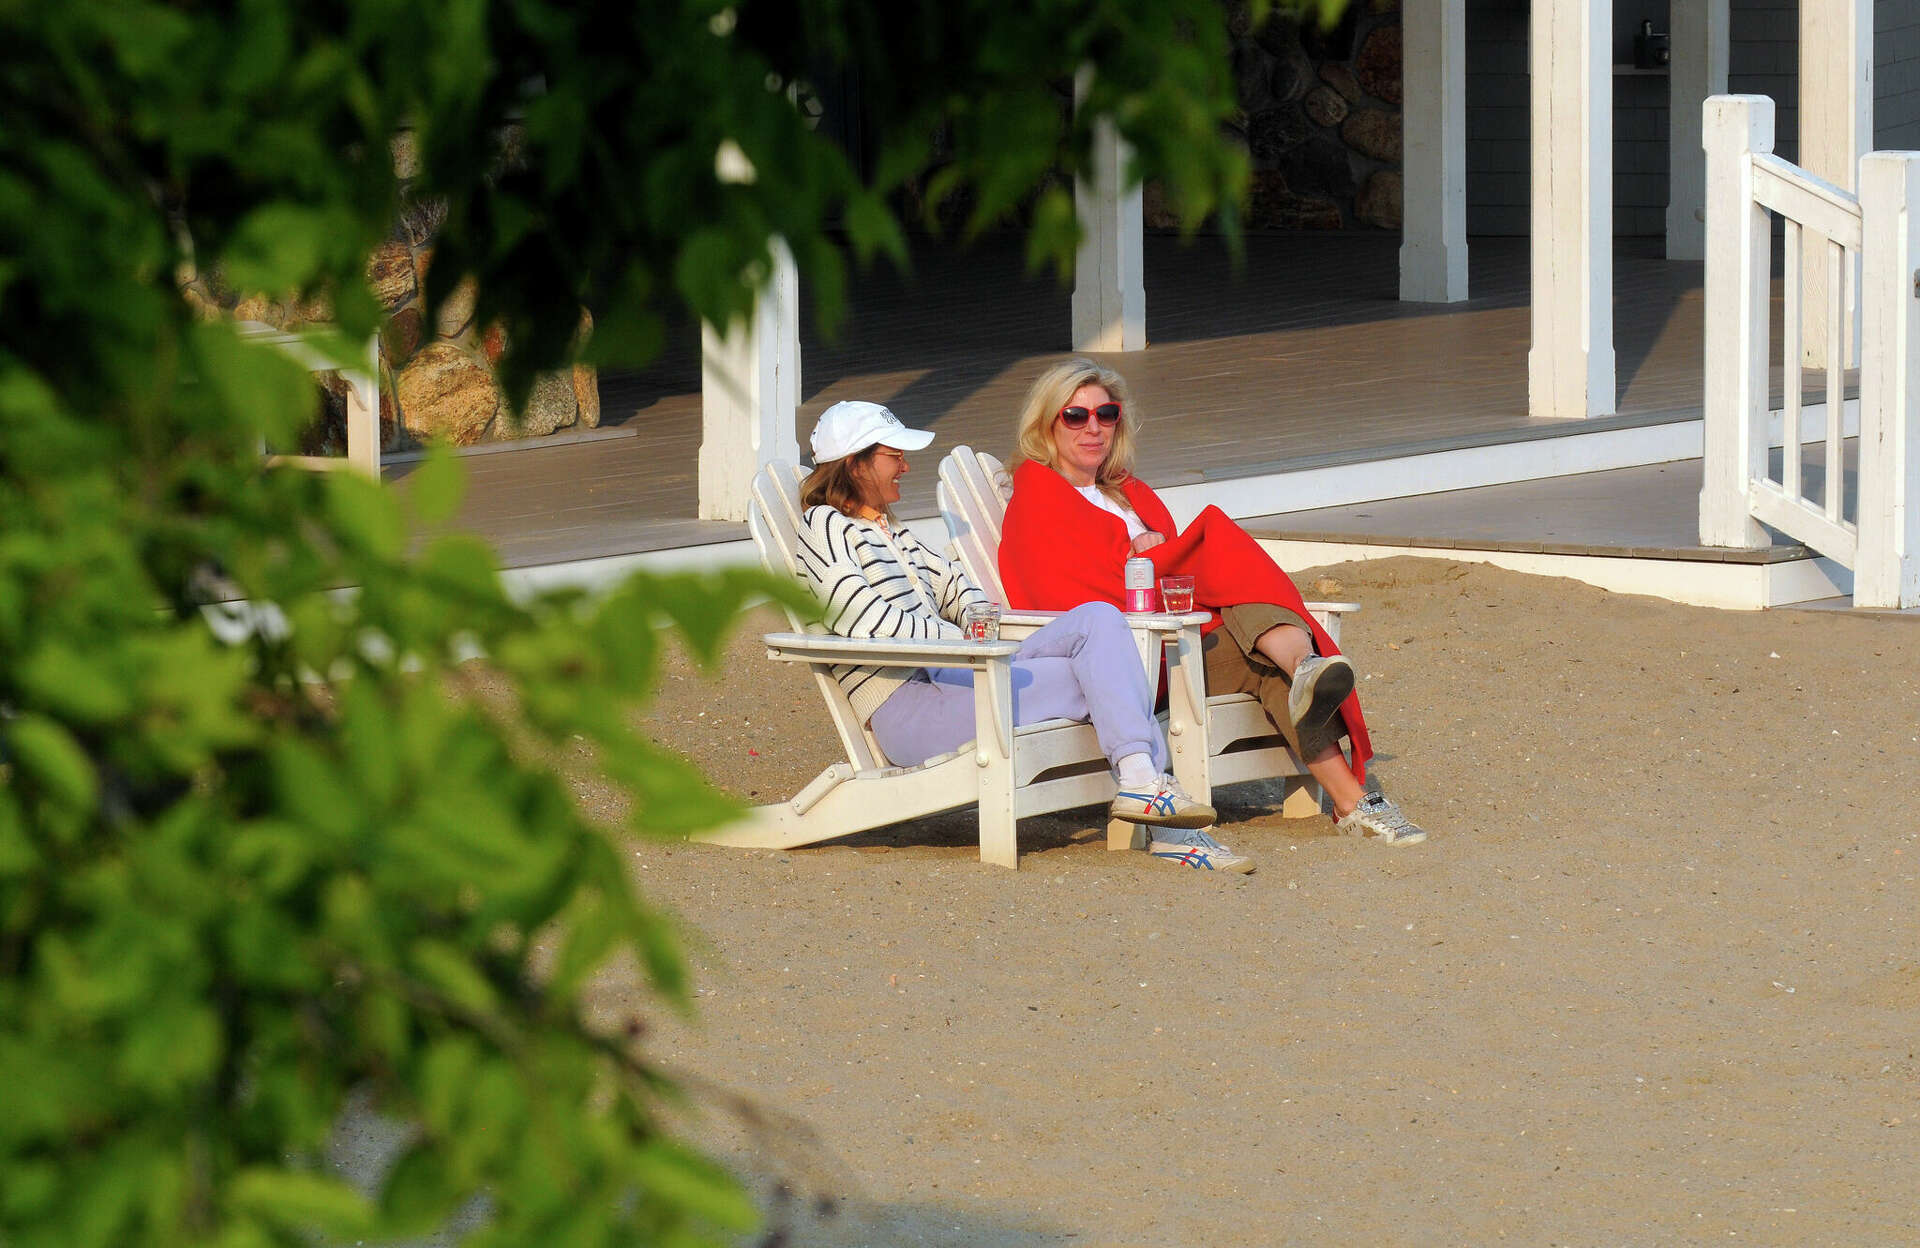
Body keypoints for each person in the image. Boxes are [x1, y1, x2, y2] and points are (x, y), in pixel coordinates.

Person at [792, 398, 1254, 872]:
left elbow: (962, 591)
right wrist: (957, 640)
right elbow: (860, 617)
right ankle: (1166, 824)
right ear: (855, 463)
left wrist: (973, 629)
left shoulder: (893, 532)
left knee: (1099, 617)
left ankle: (1142, 786)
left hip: (962, 675)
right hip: (911, 704)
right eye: (895, 456)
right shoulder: (826, 528)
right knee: (1097, 679)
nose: (905, 467)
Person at [996, 359, 1426, 845]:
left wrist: (1156, 563)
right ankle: (1311, 680)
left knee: (1260, 649)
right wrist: (1150, 561)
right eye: (1076, 416)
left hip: (1172, 634)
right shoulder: (1041, 499)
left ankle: (1345, 786)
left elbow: (1165, 573)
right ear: (1046, 425)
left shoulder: (1128, 493)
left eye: (1106, 414)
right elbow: (1068, 595)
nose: (1093, 428)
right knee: (1232, 579)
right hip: (1129, 660)